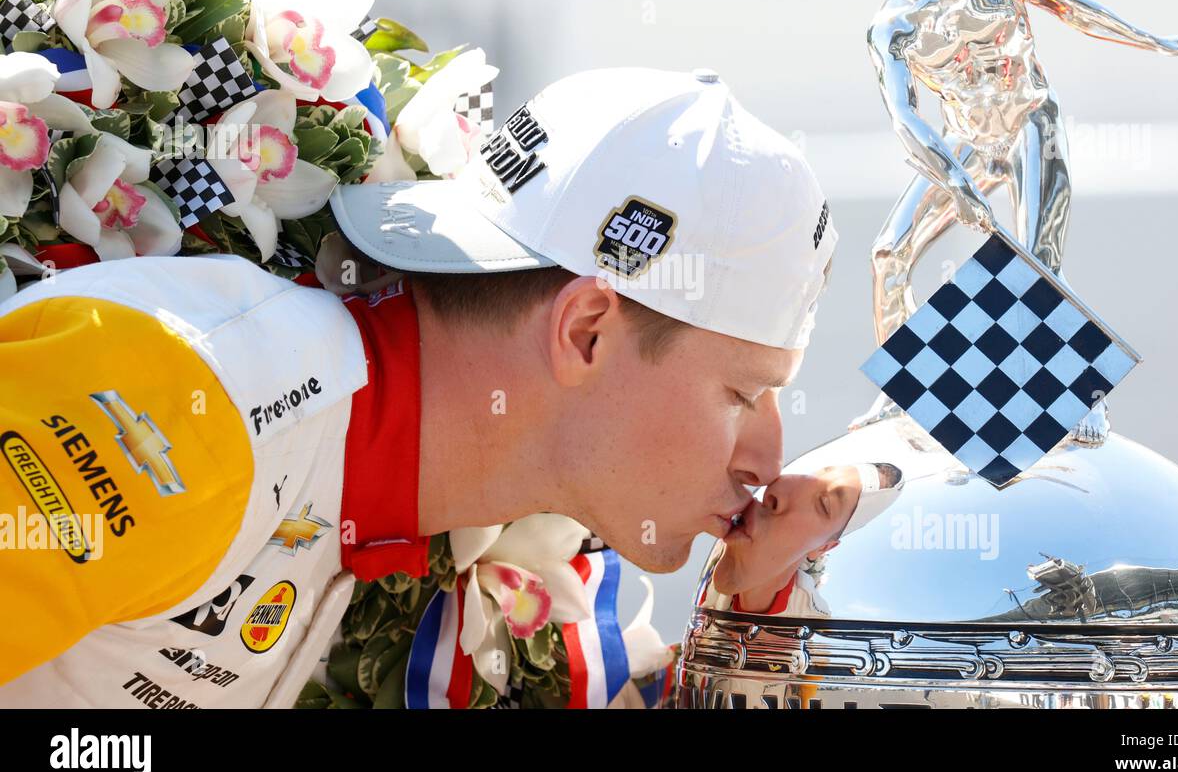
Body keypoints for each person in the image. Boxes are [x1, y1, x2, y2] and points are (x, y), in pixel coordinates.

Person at [0, 66, 838, 706]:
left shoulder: (379, 471)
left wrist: (762, 632)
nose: (768, 459)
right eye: (740, 394)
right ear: (586, 331)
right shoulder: (185, 396)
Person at [861, 0, 1178, 431]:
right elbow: (906, 122)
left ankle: (1082, 396)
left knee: (1035, 260)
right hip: (968, 142)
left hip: (1029, 121)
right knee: (889, 253)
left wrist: (1153, 42)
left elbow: (1069, 7)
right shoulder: (893, 28)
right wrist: (956, 184)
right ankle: (905, 390)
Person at [703, 462, 901, 617]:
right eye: (811, 477)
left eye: (825, 504)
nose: (774, 490)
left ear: (823, 548)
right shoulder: (722, 543)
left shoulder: (809, 635)